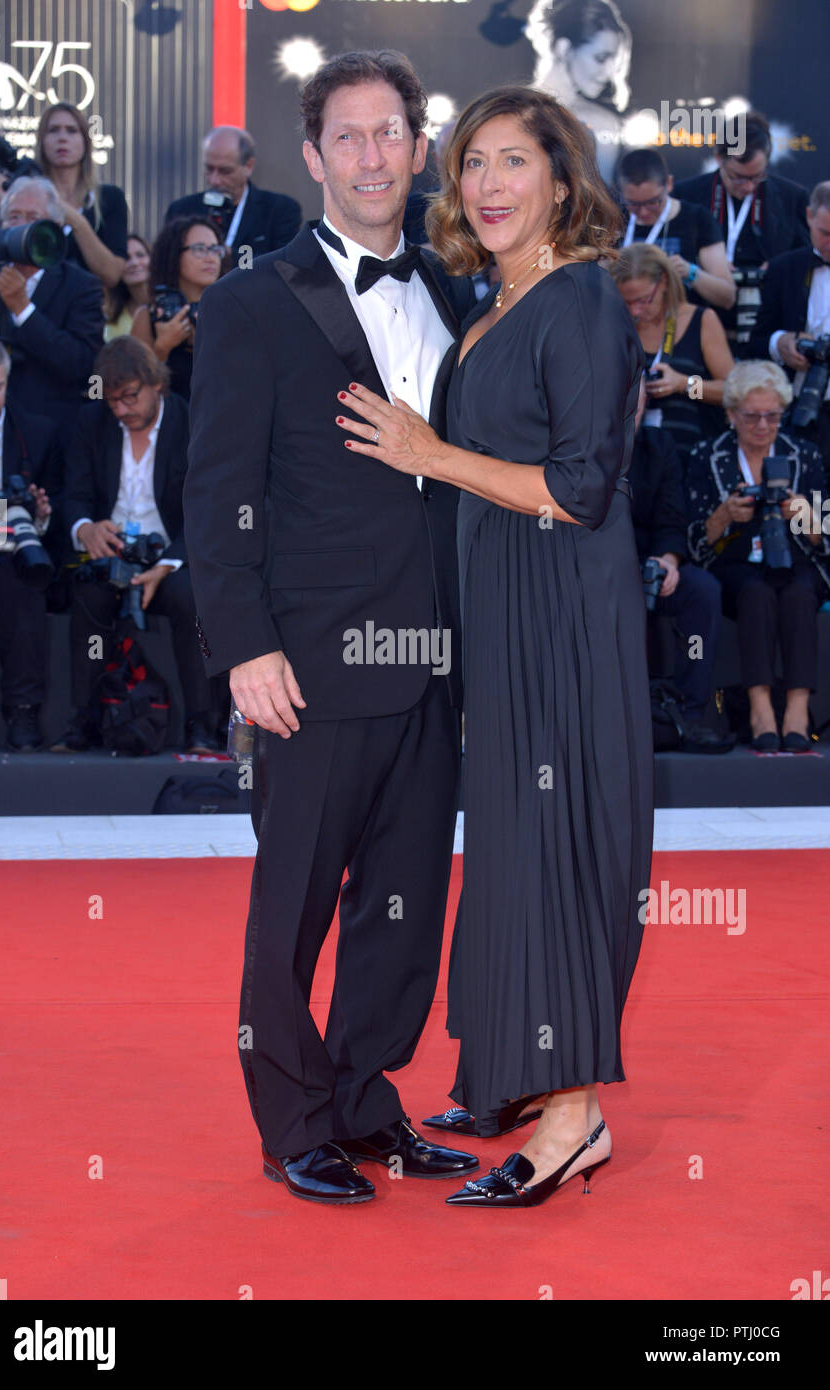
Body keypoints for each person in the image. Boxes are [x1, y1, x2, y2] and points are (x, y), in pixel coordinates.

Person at [337, 85, 653, 1209]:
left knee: (558, 843)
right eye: (470, 163)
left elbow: (578, 490)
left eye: (511, 162)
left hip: (563, 608)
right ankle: (520, 1070)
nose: (485, 185)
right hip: (506, 609)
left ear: (560, 180)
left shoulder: (578, 302)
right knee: (516, 841)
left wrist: (428, 453)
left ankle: (575, 1117)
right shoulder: (497, 294)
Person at [184, 49, 479, 1206]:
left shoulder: (455, 285)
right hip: (306, 664)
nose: (370, 155)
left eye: (388, 133)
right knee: (292, 907)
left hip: (433, 658)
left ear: (416, 146)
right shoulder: (255, 301)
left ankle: (366, 1101)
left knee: (402, 906)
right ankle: (291, 1118)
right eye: (346, 137)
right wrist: (243, 644)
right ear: (311, 157)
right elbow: (216, 490)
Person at [54, 337, 220, 755]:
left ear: (155, 383)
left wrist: (169, 562)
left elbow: (209, 508)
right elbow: (72, 495)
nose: (121, 410)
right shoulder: (90, 423)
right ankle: (85, 720)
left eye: (129, 397)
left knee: (192, 599)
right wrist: (85, 528)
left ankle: (203, 723)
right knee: (89, 594)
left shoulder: (190, 422)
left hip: (174, 559)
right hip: (111, 555)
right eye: (112, 401)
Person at [684, 361, 830, 752]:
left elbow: (825, 543)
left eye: (772, 416)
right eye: (752, 417)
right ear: (731, 415)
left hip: (797, 562)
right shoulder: (706, 455)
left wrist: (807, 518)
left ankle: (798, 709)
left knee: (800, 593)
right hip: (736, 564)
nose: (763, 426)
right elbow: (694, 545)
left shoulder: (806, 455)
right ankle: (760, 708)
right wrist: (724, 516)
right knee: (755, 593)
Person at [0, 334, 62, 751]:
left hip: (11, 552)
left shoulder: (37, 431)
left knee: (25, 583)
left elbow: (59, 505)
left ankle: (23, 714)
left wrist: (41, 515)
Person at [0, 176, 105, 449]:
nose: (21, 226)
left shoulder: (80, 286)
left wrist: (23, 310)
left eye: (32, 216)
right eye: (14, 217)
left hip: (52, 438)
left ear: (54, 228)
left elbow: (85, 366)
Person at [629, 375, 730, 746]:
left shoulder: (659, 446)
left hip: (650, 561)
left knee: (701, 591)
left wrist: (669, 560)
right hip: (596, 567)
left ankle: (689, 714)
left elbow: (672, 517)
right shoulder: (582, 447)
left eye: (635, 396)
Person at [675, 111, 810, 349]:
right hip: (700, 330)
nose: (748, 187)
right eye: (737, 178)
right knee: (695, 388)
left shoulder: (793, 198)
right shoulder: (686, 196)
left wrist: (779, 266)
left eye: (757, 177)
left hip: (766, 334)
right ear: (719, 159)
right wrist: (710, 266)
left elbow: (809, 257)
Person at [610, 243, 735, 474]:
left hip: (690, 459)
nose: (636, 311)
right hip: (631, 461)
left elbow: (732, 392)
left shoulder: (702, 320)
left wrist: (684, 385)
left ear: (664, 282)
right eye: (627, 302)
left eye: (644, 300)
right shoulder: (615, 327)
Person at [0, 102, 129, 290]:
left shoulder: (110, 198)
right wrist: (8, 205)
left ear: (85, 142)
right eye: (53, 130)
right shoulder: (22, 196)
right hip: (29, 302)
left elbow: (111, 274)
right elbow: (10, 261)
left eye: (71, 131)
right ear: (42, 141)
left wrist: (76, 221)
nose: (62, 138)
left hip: (86, 309)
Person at [748, 181, 830, 475]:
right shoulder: (785, 268)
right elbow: (754, 342)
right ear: (809, 216)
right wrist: (781, 343)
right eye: (825, 233)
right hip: (799, 412)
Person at [525, 0, 632, 183]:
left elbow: (602, 203)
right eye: (600, 58)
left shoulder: (602, 122)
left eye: (613, 62)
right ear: (564, 49)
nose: (608, 73)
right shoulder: (602, 122)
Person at [164, 126, 302, 268]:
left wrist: (227, 254)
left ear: (248, 166)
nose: (214, 180)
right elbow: (168, 264)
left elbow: (282, 265)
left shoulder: (279, 210)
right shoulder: (181, 211)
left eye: (225, 171)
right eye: (209, 169)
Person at [616, 148, 735, 310]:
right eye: (633, 203)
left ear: (669, 184)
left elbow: (728, 296)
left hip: (679, 327)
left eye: (653, 202)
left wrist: (691, 272)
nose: (643, 211)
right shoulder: (613, 219)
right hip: (625, 326)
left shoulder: (696, 219)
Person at [130, 217, 226, 401]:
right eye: (199, 249)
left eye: (216, 249)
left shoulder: (232, 310)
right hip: (170, 424)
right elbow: (134, 391)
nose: (210, 257)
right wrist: (162, 348)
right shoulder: (149, 316)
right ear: (173, 255)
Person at [104, 234, 151, 340]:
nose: (134, 263)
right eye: (126, 258)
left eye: (140, 255)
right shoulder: (111, 317)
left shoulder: (169, 304)